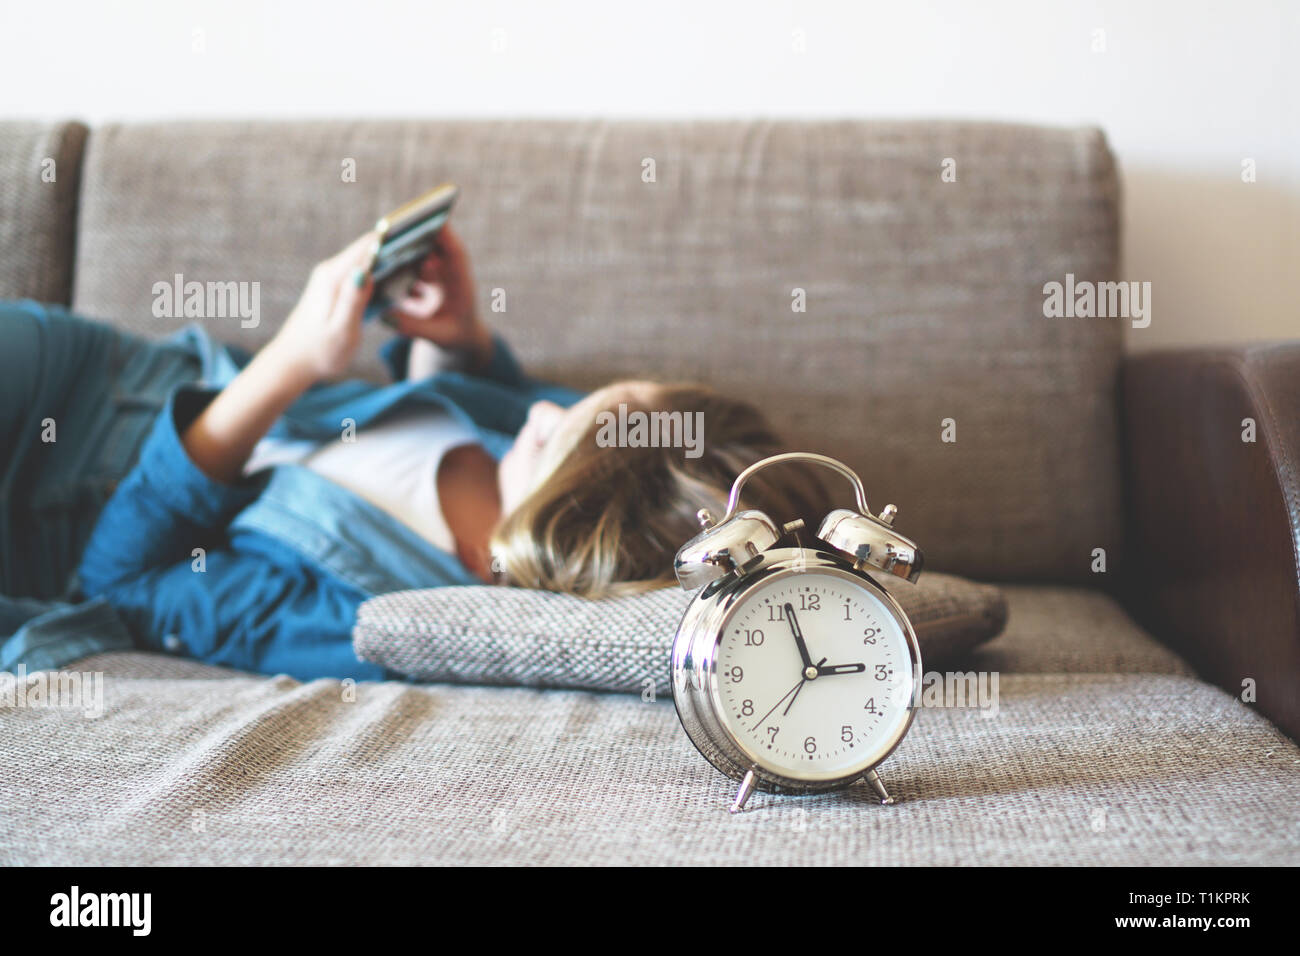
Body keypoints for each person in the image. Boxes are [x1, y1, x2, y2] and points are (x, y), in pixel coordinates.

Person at [0, 228, 828, 680]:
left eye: (557, 432)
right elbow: (469, 421)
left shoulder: (373, 617)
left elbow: (130, 581)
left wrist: (287, 364)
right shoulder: (546, 466)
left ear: (570, 525)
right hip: (110, 375)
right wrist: (456, 341)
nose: (542, 407)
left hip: (43, 504)